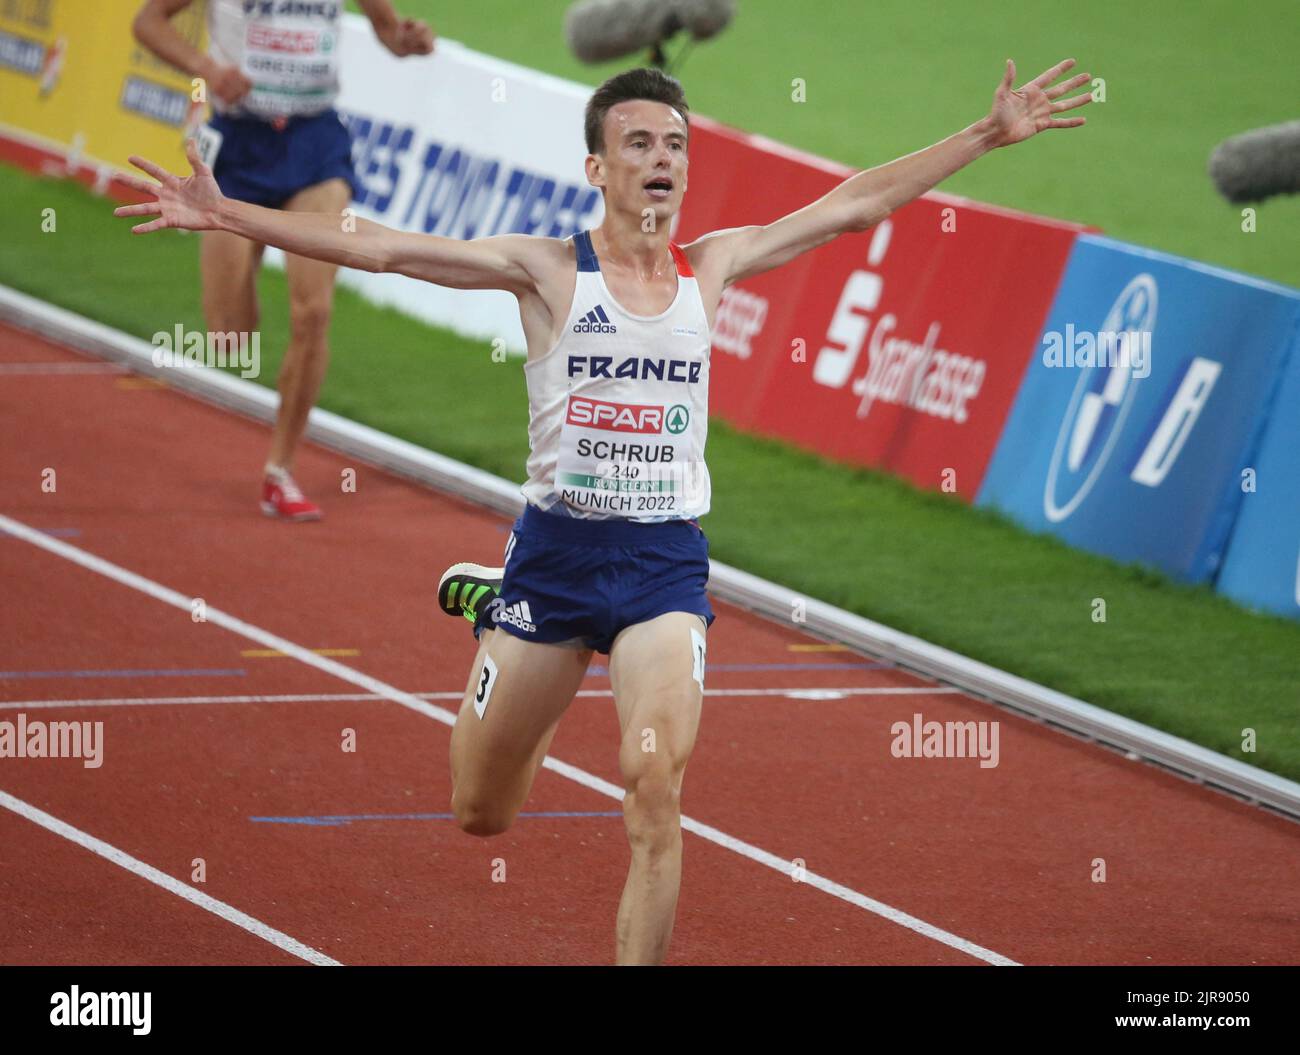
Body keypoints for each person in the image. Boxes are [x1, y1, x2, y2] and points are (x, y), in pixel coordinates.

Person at [114, 59, 1091, 962]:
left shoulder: (713, 267)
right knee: (479, 811)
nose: (660, 159)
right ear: (597, 166)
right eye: (638, 144)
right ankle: (497, 612)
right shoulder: (544, 271)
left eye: (673, 145)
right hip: (553, 558)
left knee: (652, 783)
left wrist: (983, 134)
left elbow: (853, 207)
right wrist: (234, 215)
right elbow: (388, 251)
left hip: (663, 565)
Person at [132, 0, 434, 520]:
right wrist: (208, 70)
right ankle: (247, 266)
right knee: (230, 335)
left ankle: (280, 470)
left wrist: (408, 43)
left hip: (314, 144)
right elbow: (147, 21)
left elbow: (388, 31)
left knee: (313, 313)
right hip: (239, 145)